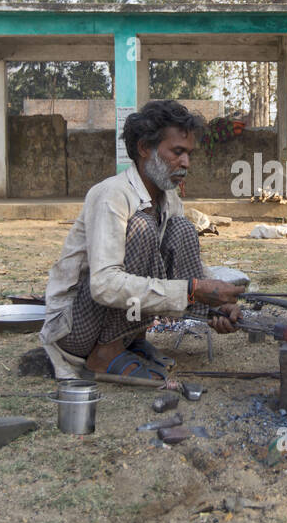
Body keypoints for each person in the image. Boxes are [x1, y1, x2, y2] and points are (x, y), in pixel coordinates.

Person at [39, 100, 246, 381]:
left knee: (182, 229)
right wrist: (191, 290)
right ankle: (106, 353)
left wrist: (217, 306)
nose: (186, 162)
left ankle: (131, 340)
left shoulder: (169, 197)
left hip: (117, 318)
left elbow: (186, 268)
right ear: (144, 148)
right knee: (142, 226)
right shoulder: (112, 195)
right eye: (177, 152)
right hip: (76, 329)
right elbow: (103, 286)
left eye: (188, 154)